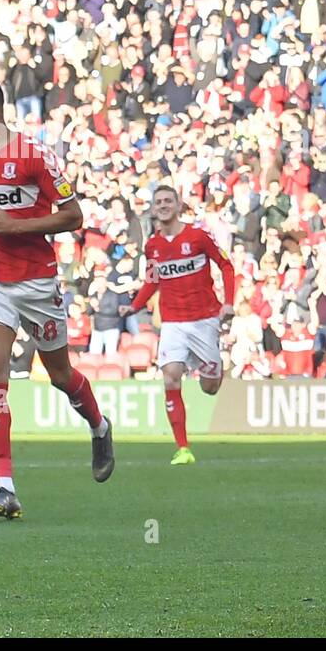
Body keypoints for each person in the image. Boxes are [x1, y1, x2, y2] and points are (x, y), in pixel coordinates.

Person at [0, 77, 113, 521]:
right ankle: (5, 488)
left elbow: (74, 216)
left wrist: (18, 227)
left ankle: (99, 426)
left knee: (60, 375)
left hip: (37, 282)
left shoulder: (34, 154)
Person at [121, 186, 235, 465]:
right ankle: (183, 447)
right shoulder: (153, 246)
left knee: (210, 388)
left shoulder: (198, 236)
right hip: (172, 321)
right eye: (158, 201)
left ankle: (214, 367)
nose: (163, 205)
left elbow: (226, 265)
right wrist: (135, 306)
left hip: (204, 318)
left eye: (168, 201)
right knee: (171, 375)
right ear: (153, 208)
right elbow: (152, 281)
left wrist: (228, 303)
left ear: (178, 204)